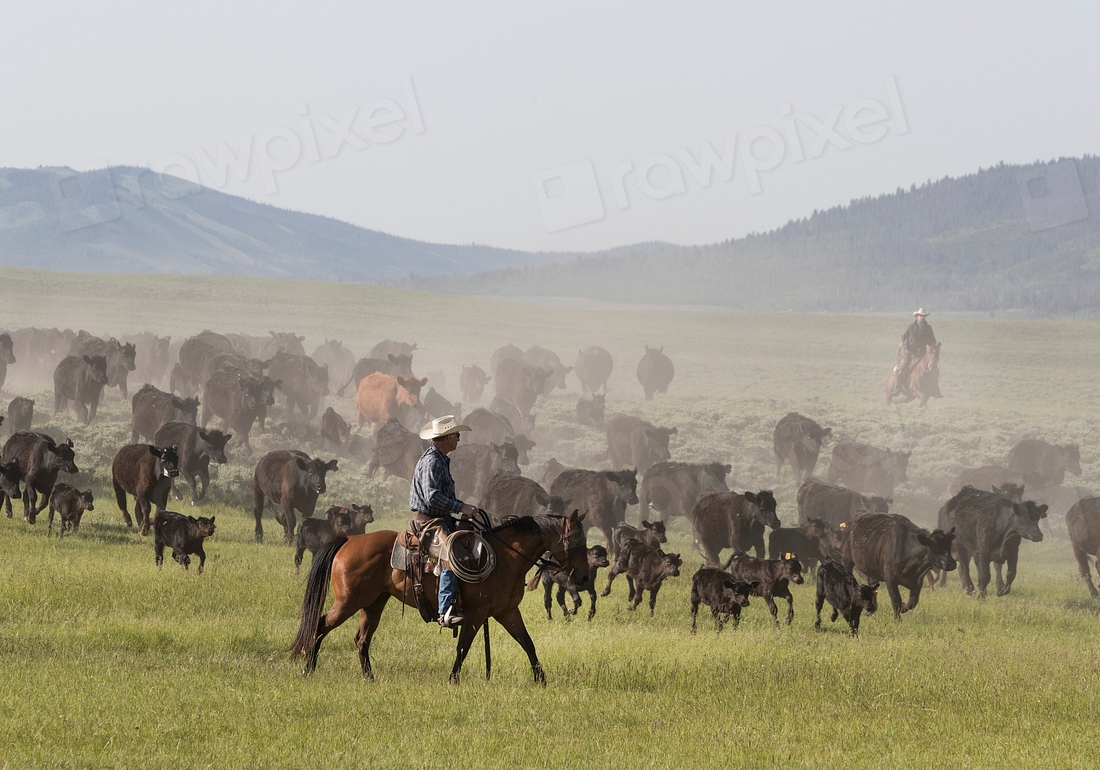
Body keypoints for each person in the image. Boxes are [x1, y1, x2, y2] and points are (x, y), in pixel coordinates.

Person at [410, 414, 478, 627]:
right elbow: (432, 497)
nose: (459, 438)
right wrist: (461, 507)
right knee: (452, 557)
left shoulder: (439, 459)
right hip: (430, 522)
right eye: (456, 435)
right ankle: (445, 611)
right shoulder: (432, 461)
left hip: (440, 518)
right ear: (448, 437)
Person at [893, 308, 936, 394]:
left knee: (932, 368)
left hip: (922, 353)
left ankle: (934, 388)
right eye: (921, 316)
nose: (922, 317)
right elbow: (904, 336)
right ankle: (896, 386)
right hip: (910, 352)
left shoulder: (928, 328)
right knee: (903, 366)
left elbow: (933, 341)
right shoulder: (911, 327)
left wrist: (932, 344)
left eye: (924, 316)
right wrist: (902, 342)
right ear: (917, 316)